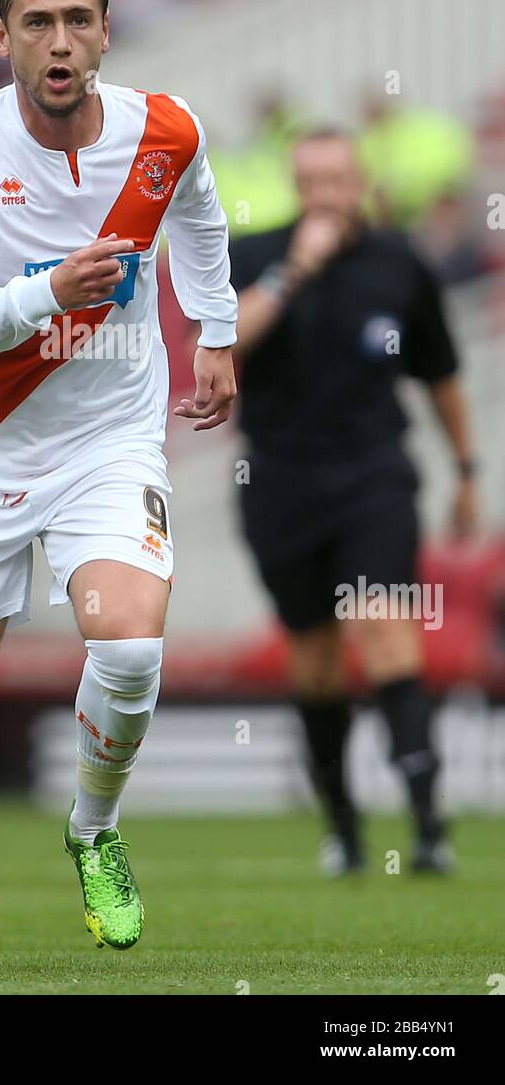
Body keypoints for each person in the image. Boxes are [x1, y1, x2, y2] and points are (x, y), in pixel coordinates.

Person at [0, 0, 238, 971]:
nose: (60, 40)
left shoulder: (165, 131)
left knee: (126, 645)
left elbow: (200, 214)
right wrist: (47, 292)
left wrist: (213, 329)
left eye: (78, 19)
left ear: (106, 30)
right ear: (2, 38)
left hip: (105, 442)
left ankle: (90, 830)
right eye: (37, 23)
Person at [230, 128, 477, 877]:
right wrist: (293, 271)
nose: (326, 197)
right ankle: (342, 829)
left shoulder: (399, 263)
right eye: (311, 182)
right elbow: (223, 345)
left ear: (362, 181)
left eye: (339, 181)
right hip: (279, 481)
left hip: (374, 475)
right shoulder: (252, 255)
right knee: (315, 663)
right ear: (295, 185)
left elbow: (438, 375)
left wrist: (466, 470)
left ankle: (428, 825)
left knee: (387, 629)